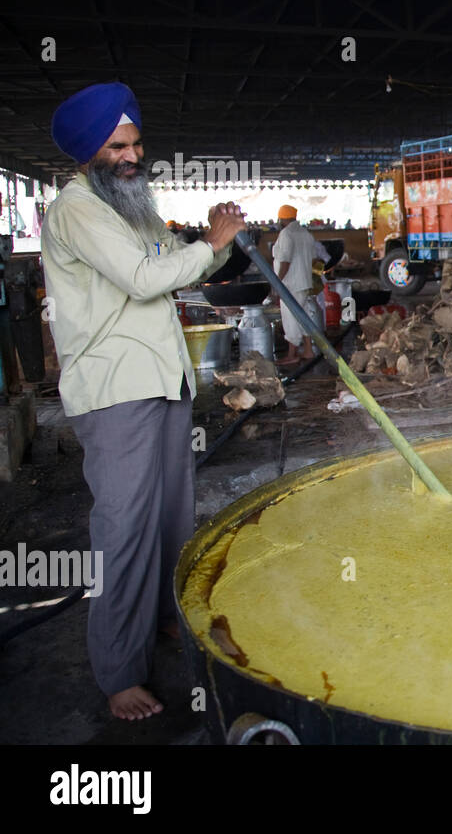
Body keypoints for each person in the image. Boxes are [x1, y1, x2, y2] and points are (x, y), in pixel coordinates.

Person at [41, 82, 246, 720]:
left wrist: (217, 242)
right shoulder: (78, 209)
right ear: (87, 154)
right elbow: (143, 277)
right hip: (115, 388)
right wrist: (209, 245)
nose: (131, 157)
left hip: (161, 379)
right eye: (117, 147)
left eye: (135, 145)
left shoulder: (131, 208)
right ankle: (119, 672)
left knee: (171, 521)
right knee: (125, 529)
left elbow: (175, 266)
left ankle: (165, 619)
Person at [271, 203, 318, 365]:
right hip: (304, 282)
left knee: (290, 318)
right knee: (302, 316)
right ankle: (308, 350)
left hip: (290, 284)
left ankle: (292, 354)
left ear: (282, 218)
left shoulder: (286, 233)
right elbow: (313, 257)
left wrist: (277, 283)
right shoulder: (305, 233)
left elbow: (285, 261)